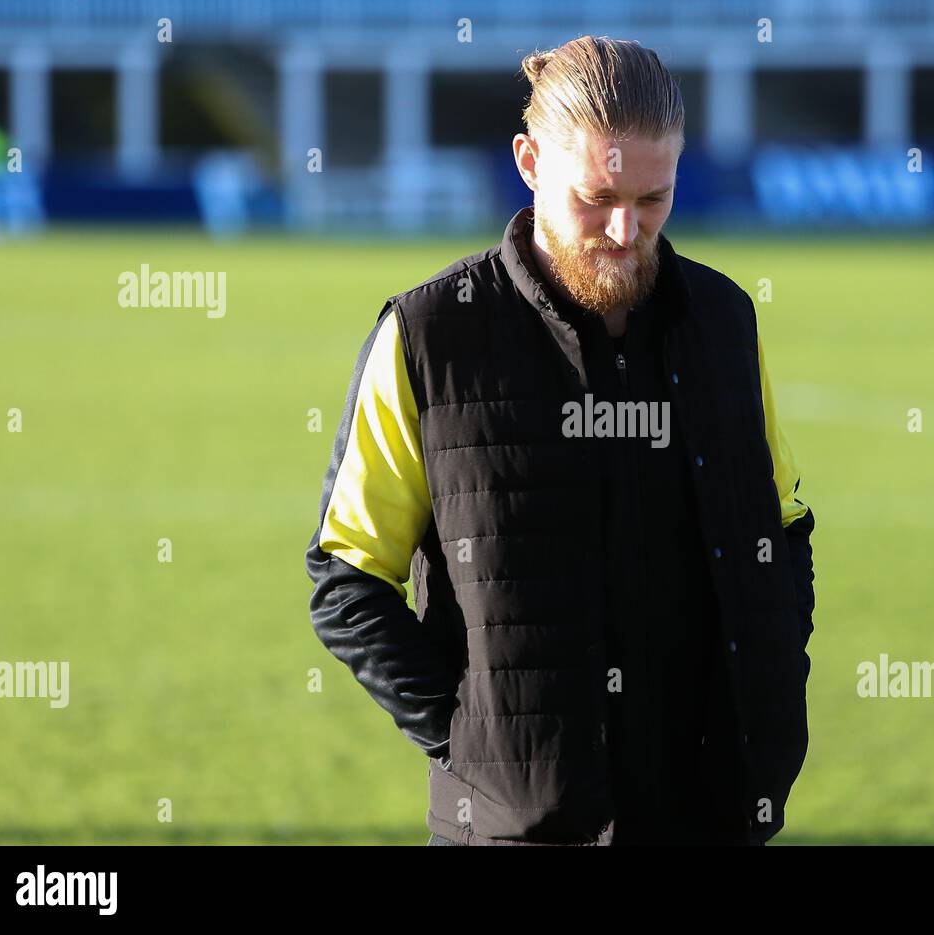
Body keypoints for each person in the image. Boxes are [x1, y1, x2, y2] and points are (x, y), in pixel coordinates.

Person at [305, 35, 815, 846]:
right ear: (530, 162)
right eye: (598, 196)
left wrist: (774, 691)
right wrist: (481, 744)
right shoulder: (429, 335)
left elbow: (782, 530)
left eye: (654, 199)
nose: (624, 229)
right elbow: (345, 579)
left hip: (711, 817)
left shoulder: (723, 321)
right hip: (514, 830)